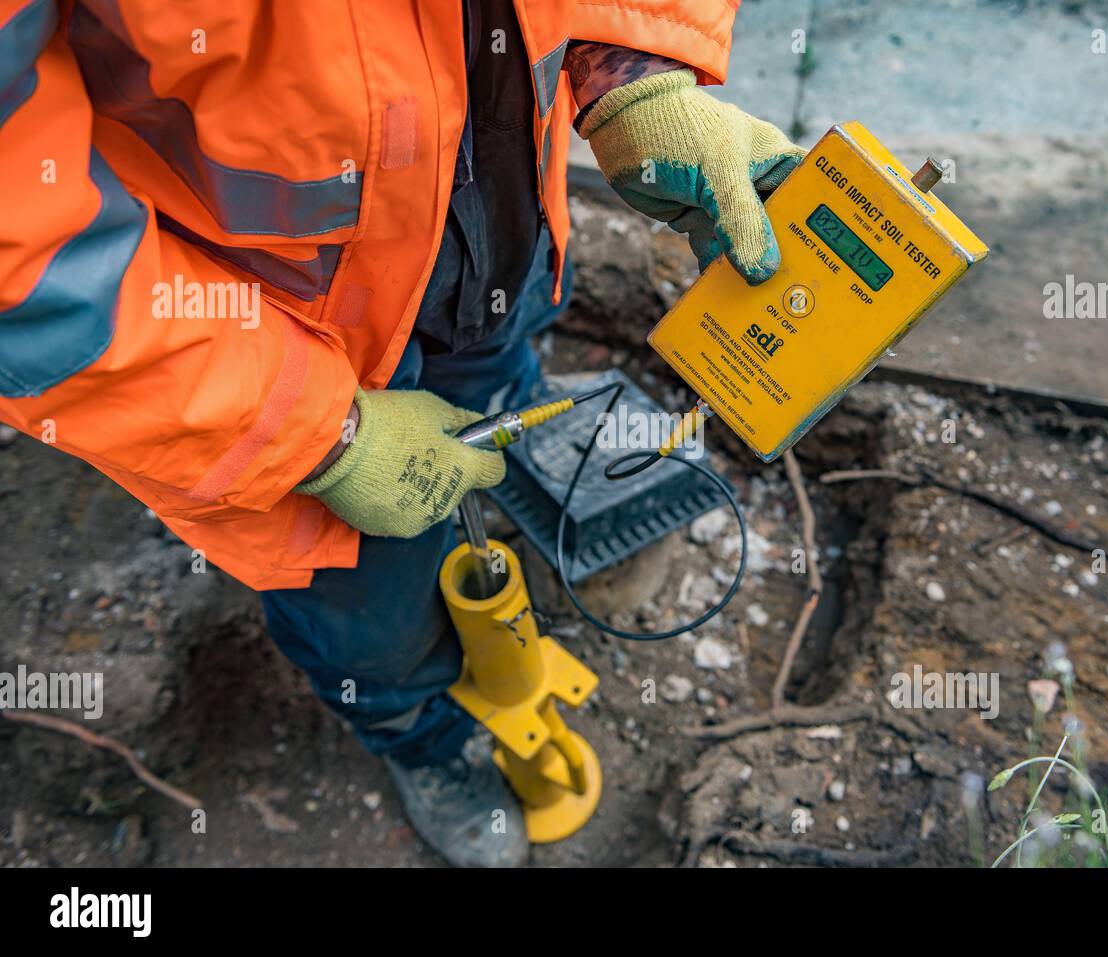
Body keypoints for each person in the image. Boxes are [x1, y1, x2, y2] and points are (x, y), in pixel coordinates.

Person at [0, 0, 803, 866]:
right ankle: (417, 730)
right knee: (365, 610)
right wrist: (320, 435)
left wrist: (631, 65)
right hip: (277, 336)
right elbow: (27, 265)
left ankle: (481, 513)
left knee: (493, 413)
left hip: (497, 236)